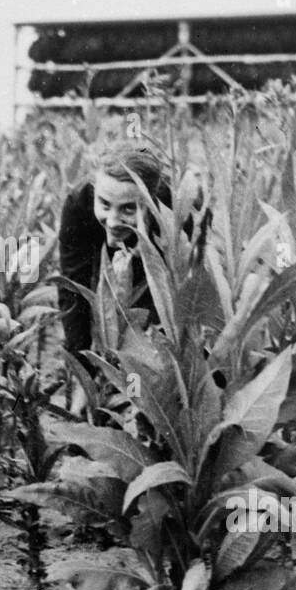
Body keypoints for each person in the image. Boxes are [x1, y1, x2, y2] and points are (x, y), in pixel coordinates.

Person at [58, 142, 203, 412]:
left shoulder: (180, 210)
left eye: (128, 208)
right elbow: (72, 293)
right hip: (111, 259)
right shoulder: (79, 205)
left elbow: (181, 300)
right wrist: (83, 376)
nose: (113, 220)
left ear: (151, 202)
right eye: (104, 204)